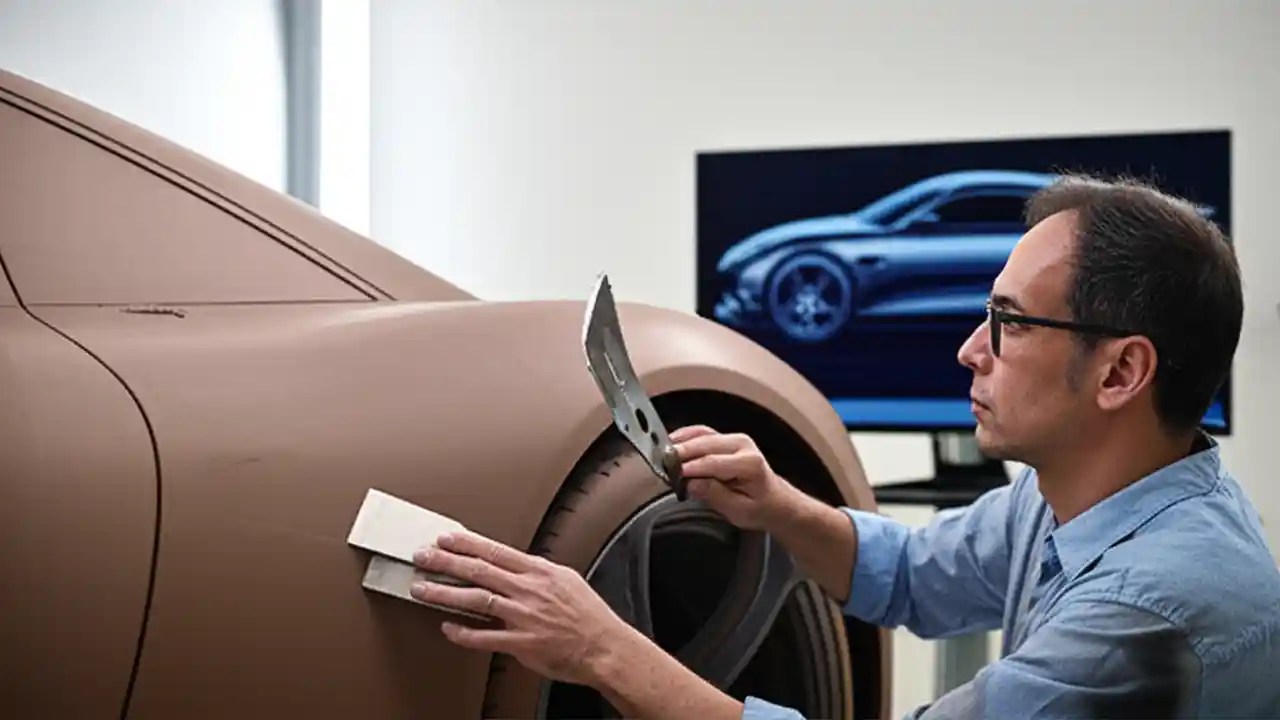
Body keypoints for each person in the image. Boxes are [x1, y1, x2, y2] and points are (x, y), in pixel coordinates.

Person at [407, 173, 1280, 718]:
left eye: (1007, 323)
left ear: (1121, 373)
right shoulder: (1082, 492)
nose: (970, 350)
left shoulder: (1151, 610)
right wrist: (779, 504)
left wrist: (601, 649)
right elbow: (911, 574)